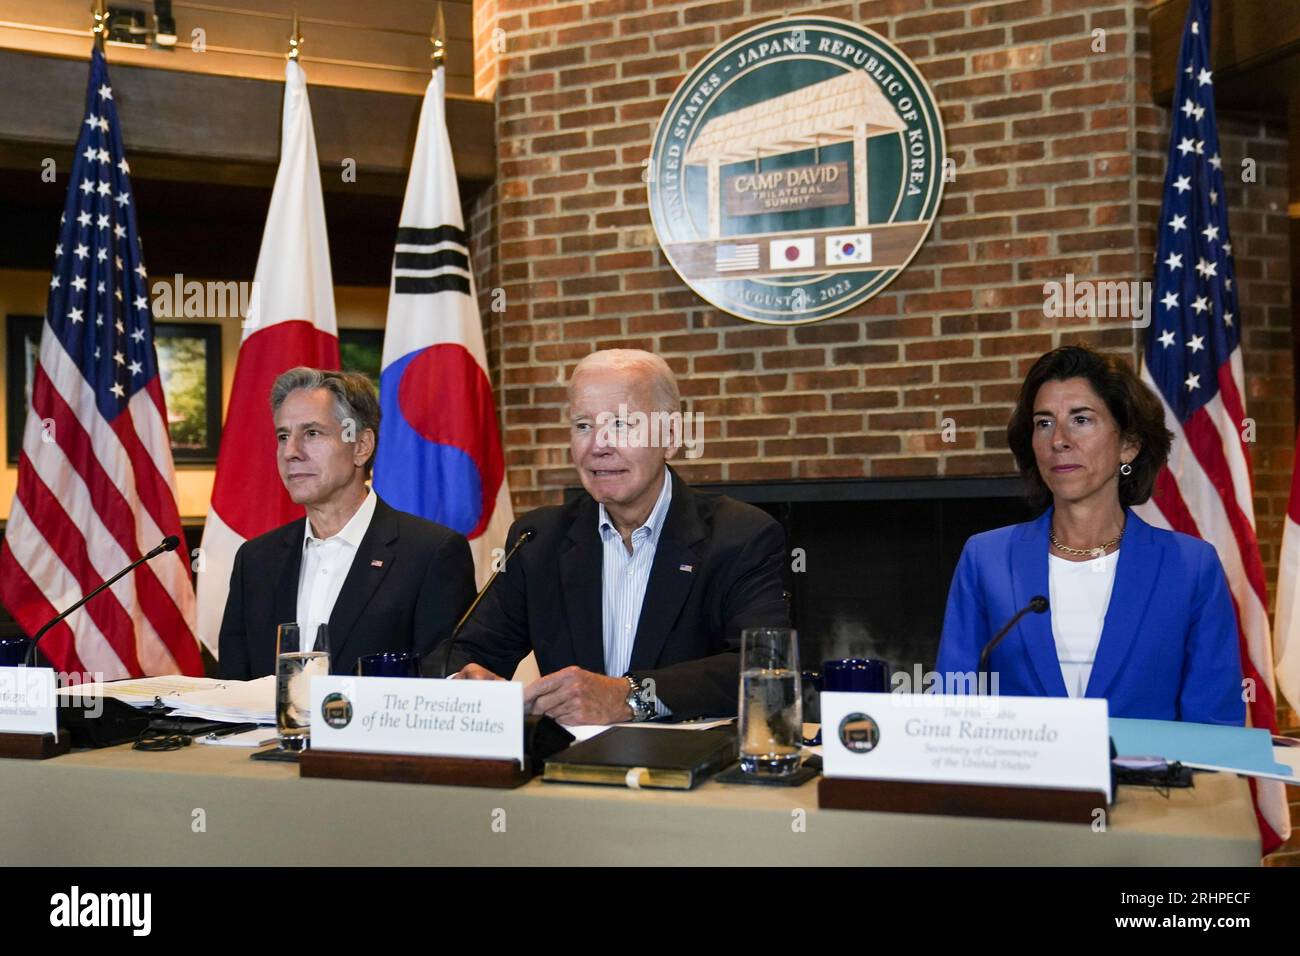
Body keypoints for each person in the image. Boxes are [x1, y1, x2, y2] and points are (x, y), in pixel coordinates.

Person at [435, 349, 790, 722]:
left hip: (688, 768)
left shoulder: (741, 535)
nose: (598, 446)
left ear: (670, 436)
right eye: (583, 426)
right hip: (565, 769)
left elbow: (765, 667)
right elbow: (466, 652)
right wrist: (467, 680)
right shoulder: (538, 539)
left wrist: (630, 696)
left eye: (621, 424)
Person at [935, 345, 1244, 725]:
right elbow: (954, 706)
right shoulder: (986, 558)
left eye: (1081, 420)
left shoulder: (1191, 567)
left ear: (1128, 445)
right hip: (1022, 782)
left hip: (1147, 784)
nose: (1058, 440)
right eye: (1044, 422)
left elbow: (1213, 728)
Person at [219, 367, 476, 679]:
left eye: (311, 433)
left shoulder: (431, 554)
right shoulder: (255, 560)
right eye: (283, 436)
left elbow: (442, 686)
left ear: (361, 446)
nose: (290, 452)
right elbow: (230, 689)